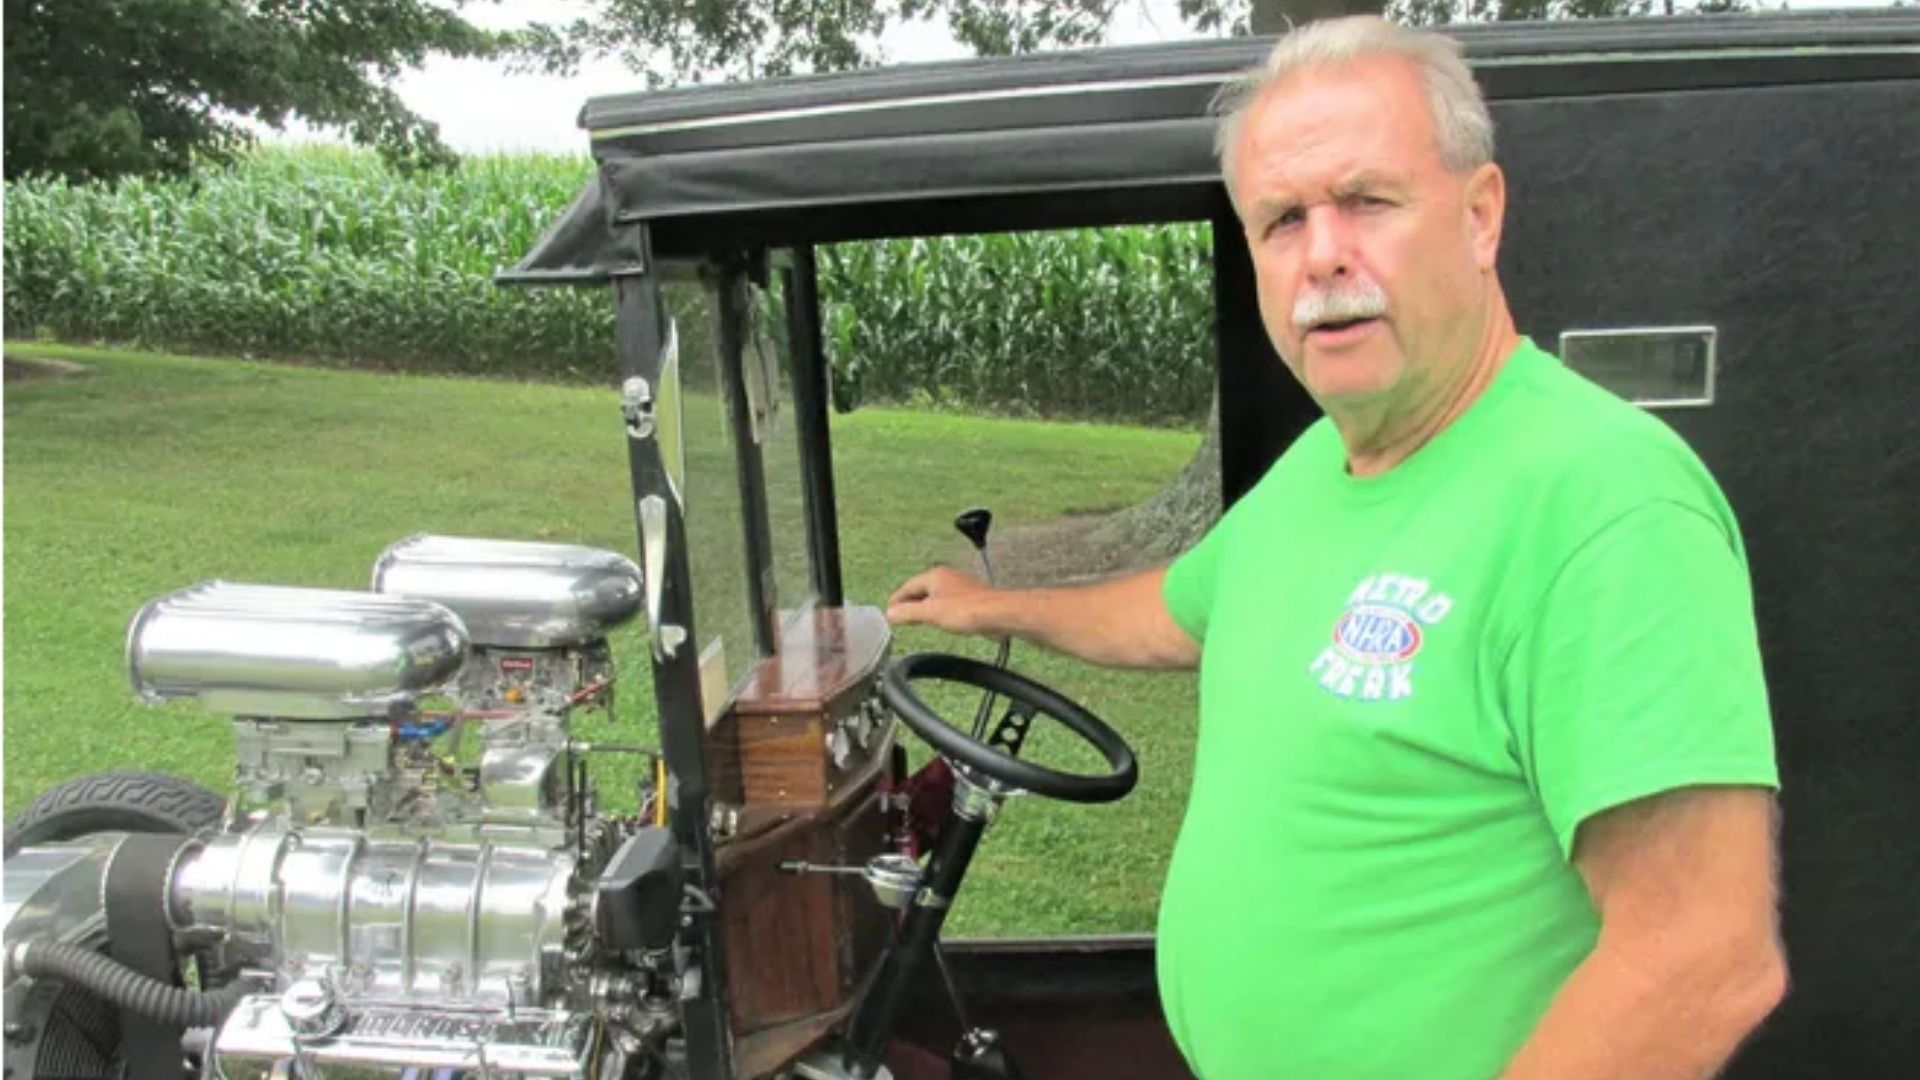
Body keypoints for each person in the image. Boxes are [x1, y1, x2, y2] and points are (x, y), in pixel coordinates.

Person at [886, 15, 1785, 1080]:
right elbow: (1178, 608)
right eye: (1282, 220)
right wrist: (989, 608)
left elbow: (1703, 956)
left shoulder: (1600, 499)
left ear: (1481, 214)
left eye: (1368, 201)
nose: (1324, 256)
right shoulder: (1323, 467)